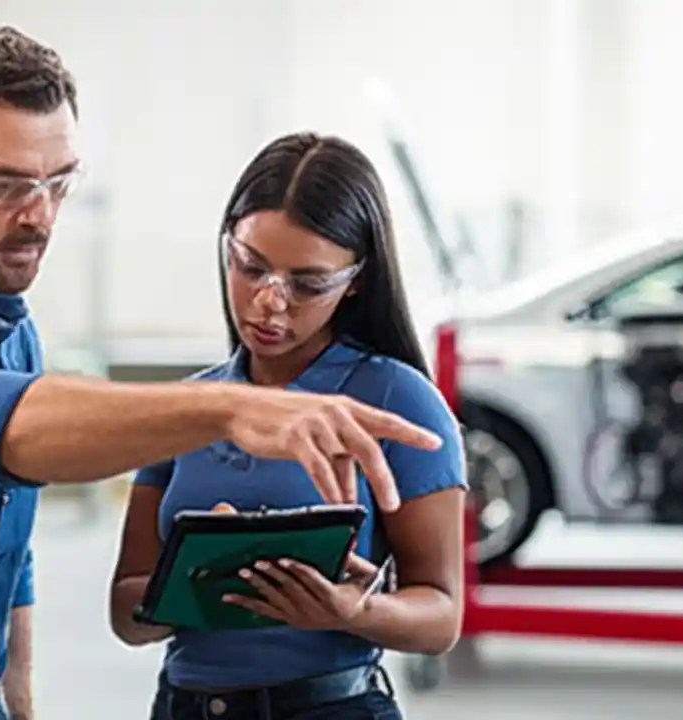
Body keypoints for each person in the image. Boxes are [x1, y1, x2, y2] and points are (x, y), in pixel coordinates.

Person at [0, 26, 444, 720]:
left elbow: (5, 555)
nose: (41, 216)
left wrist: (20, 701)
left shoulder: (6, 327)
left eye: (58, 180)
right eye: (6, 185)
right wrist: (226, 410)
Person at [109, 132, 468, 720]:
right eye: (250, 267)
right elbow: (127, 615)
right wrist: (195, 576)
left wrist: (353, 612)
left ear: (355, 280)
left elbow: (441, 616)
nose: (269, 303)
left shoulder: (394, 400)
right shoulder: (188, 407)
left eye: (307, 284)